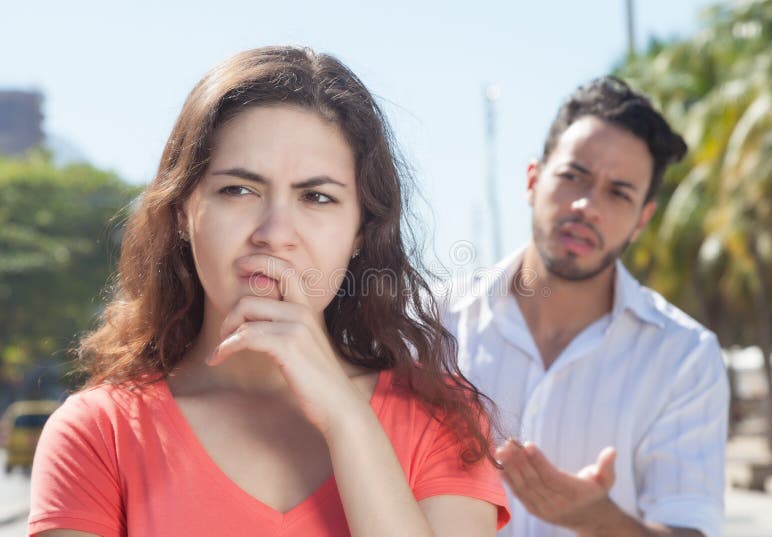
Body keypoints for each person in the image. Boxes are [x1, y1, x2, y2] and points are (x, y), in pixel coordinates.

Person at [28, 46, 509, 537]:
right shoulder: (98, 433)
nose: (275, 232)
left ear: (361, 230)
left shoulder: (441, 421)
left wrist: (347, 419)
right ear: (181, 212)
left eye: (317, 197)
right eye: (239, 190)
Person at [441, 77, 729, 537]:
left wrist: (597, 520)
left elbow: (690, 525)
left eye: (618, 193)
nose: (586, 205)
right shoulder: (431, 321)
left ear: (642, 221)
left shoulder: (685, 356)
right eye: (573, 175)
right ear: (533, 180)